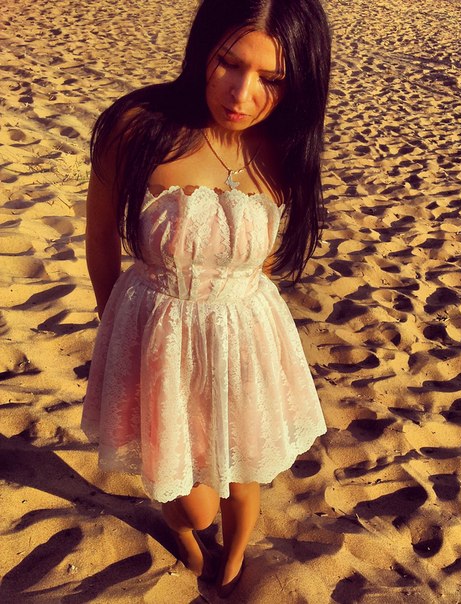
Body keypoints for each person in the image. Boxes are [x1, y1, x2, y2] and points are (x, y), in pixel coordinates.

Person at [81, 0, 331, 597]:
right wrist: (118, 332)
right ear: (203, 50)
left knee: (245, 474)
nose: (242, 95)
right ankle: (190, 540)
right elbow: (99, 239)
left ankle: (236, 560)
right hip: (159, 329)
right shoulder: (139, 128)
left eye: (272, 78)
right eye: (229, 63)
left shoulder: (286, 146)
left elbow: (261, 256)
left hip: (245, 330)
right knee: (190, 500)